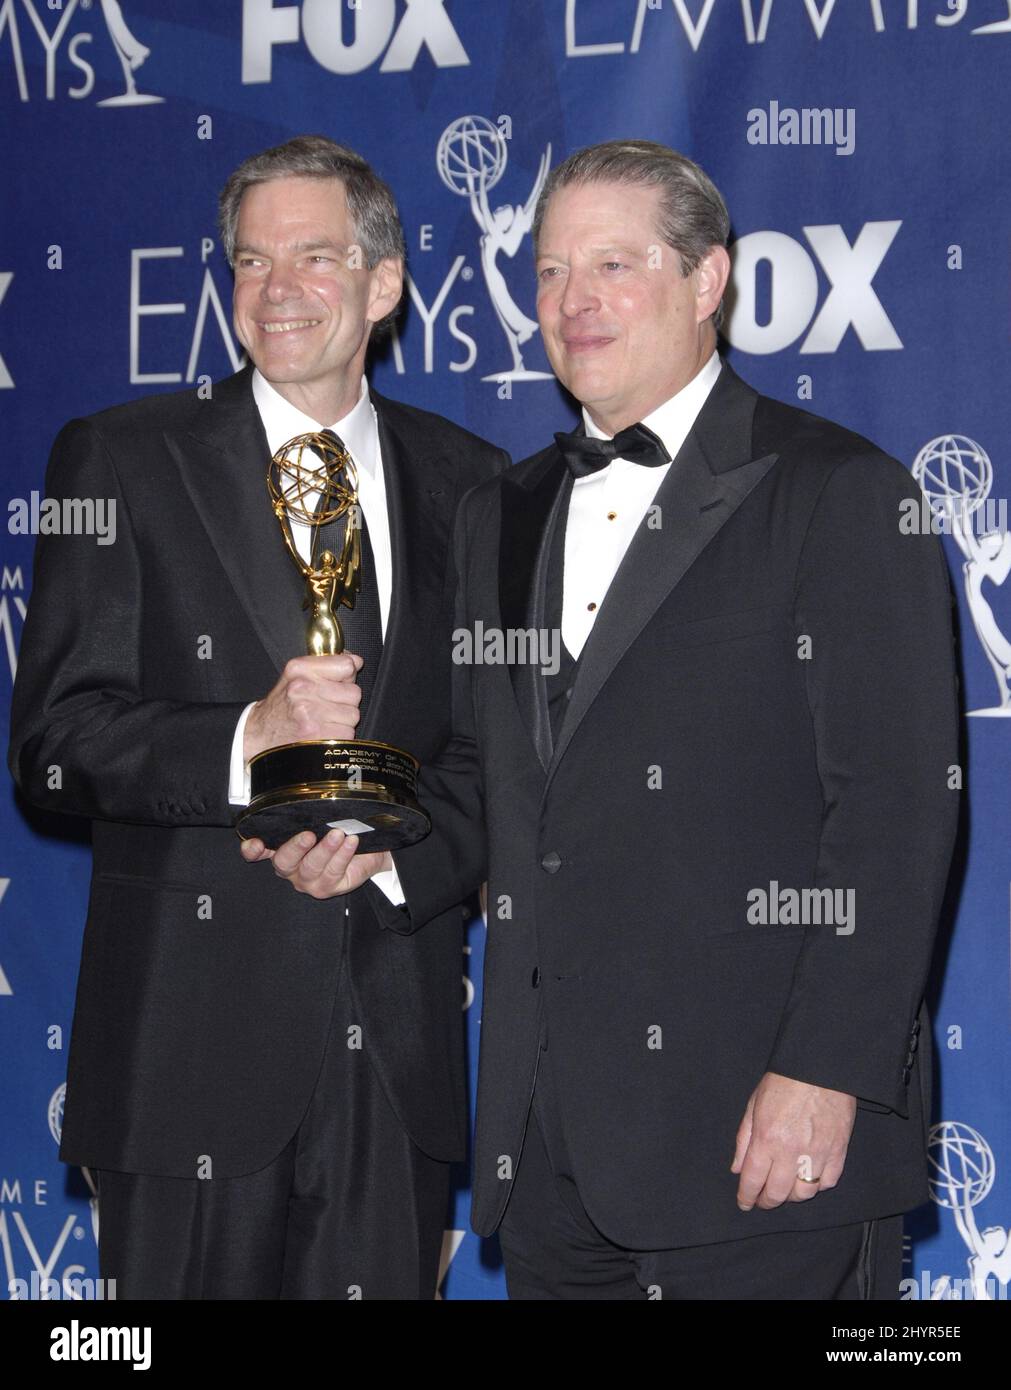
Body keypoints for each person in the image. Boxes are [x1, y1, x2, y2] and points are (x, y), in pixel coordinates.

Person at [245, 140, 960, 1300]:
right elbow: (497, 773)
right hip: (551, 1157)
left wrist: (826, 1072)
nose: (573, 303)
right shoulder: (502, 512)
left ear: (708, 281)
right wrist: (379, 850)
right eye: (549, 271)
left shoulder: (839, 492)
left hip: (762, 1148)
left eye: (614, 266)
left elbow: (894, 816)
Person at [8, 135, 508, 1300]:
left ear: (384, 286)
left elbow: (502, 757)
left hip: (396, 1058)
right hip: (184, 1050)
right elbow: (54, 744)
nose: (277, 290)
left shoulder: (480, 484)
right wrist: (249, 734)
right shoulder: (119, 459)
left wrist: (393, 851)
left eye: (315, 257)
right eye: (249, 261)